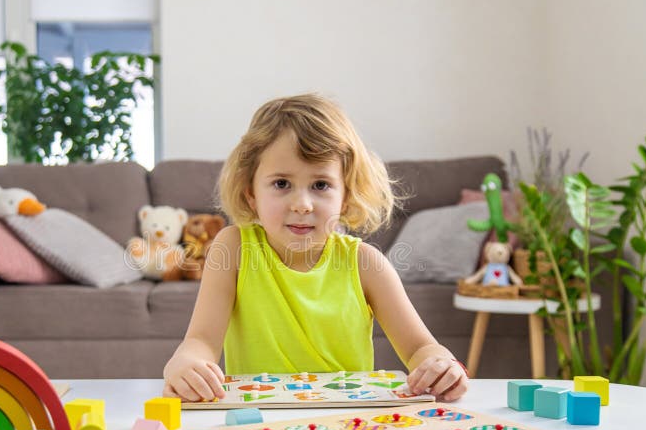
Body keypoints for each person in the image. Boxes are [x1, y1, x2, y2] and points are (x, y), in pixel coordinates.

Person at [162, 93, 469, 402]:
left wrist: (440, 366)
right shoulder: (233, 249)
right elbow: (201, 340)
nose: (302, 204)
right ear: (251, 194)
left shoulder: (366, 263)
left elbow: (420, 348)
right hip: (258, 422)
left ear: (346, 195)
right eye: (282, 184)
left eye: (320, 185)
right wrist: (186, 362)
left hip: (346, 424)